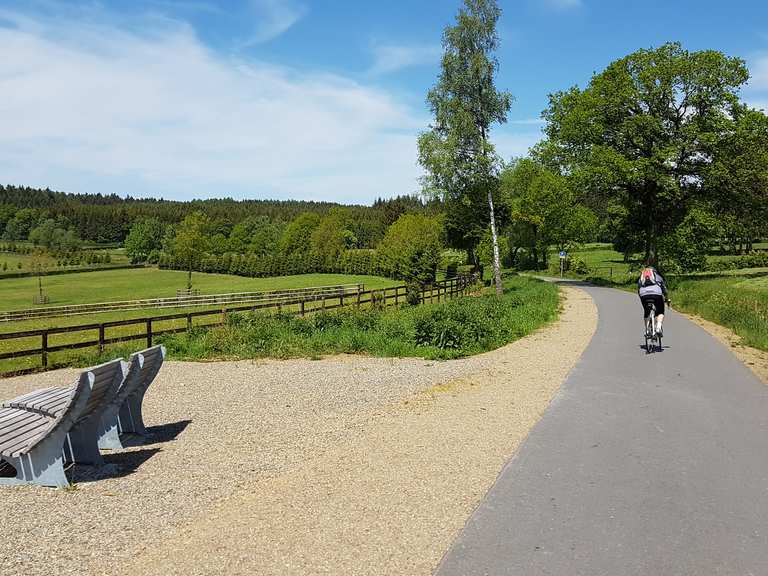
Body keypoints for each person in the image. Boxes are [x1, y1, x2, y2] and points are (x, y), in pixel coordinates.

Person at [637, 266, 669, 337]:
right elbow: (664, 289)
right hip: (656, 293)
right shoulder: (658, 277)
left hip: (644, 294)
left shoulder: (641, 277)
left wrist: (642, 298)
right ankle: (658, 327)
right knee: (660, 311)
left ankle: (647, 330)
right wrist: (667, 298)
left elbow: (639, 289)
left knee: (646, 312)